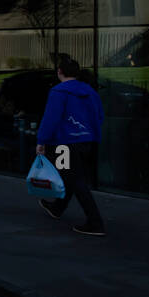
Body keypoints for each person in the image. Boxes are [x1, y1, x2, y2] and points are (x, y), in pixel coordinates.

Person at [36, 55, 106, 236]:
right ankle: (57, 208)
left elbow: (50, 119)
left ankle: (95, 222)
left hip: (64, 143)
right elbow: (99, 116)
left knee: (74, 180)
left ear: (59, 72)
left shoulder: (59, 92)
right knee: (71, 177)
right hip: (86, 141)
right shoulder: (90, 91)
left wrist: (41, 140)